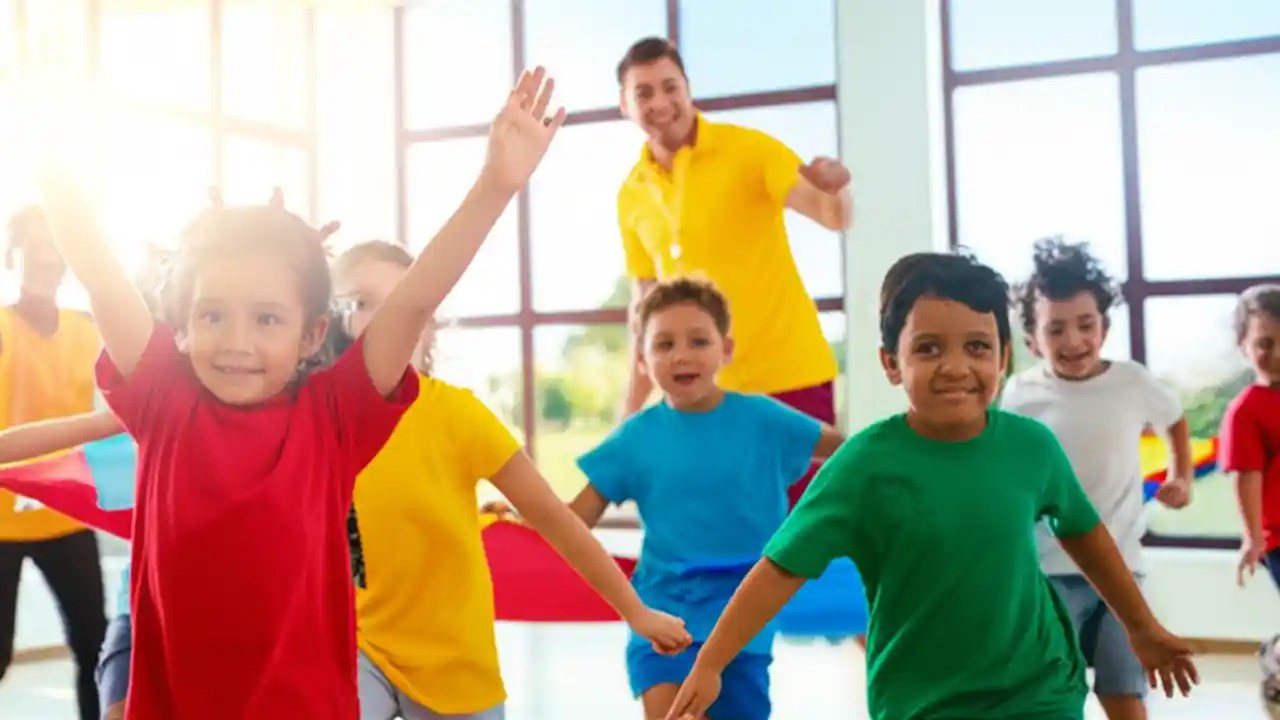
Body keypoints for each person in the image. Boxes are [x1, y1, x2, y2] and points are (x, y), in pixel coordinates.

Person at [34, 67, 566, 719]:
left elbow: (415, 297)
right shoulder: (162, 399)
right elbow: (97, 269)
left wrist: (494, 185)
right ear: (181, 324)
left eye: (266, 319)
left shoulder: (335, 417)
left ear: (313, 332)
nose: (236, 342)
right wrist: (49, 149)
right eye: (212, 316)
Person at [664, 252, 1199, 720]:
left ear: (1003, 357)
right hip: (922, 699)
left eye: (977, 346)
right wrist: (713, 661)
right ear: (891, 364)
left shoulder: (1030, 447)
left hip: (1039, 688)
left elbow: (1086, 534)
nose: (956, 367)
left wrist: (1141, 625)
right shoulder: (864, 465)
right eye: (928, 349)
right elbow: (780, 568)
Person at [332, 240, 690, 720]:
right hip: (359, 647)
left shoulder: (458, 417)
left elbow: (553, 518)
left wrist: (636, 611)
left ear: (428, 326)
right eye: (360, 303)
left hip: (454, 660)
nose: (382, 320)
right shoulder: (319, 417)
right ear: (329, 319)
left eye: (403, 303)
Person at [567, 277, 844, 720]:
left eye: (698, 341)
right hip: (663, 611)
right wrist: (516, 521)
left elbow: (848, 453)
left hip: (745, 611)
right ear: (642, 358)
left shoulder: (763, 419)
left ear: (726, 349)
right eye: (664, 343)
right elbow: (572, 520)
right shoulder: (633, 439)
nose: (681, 354)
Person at [614, 36, 852, 509]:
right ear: (625, 106)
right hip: (705, 395)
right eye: (643, 93)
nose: (659, 102)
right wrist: (630, 410)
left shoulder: (750, 151)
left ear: (688, 89)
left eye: (669, 87)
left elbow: (830, 216)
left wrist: (832, 190)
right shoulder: (631, 195)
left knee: (806, 536)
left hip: (789, 380)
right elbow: (646, 310)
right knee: (730, 538)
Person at [1001, 237, 1194, 720]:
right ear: (1032, 341)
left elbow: (1174, 419)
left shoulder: (1131, 381)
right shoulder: (1019, 394)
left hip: (1123, 568)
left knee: (1122, 691)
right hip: (1048, 571)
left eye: (1085, 325)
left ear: (1104, 327)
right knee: (1052, 689)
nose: (1072, 341)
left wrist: (1182, 476)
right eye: (1056, 329)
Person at [0, 206, 107, 720]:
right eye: (32, 247)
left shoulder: (85, 333)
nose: (45, 258)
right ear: (9, 258)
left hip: (66, 513)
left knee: (95, 644)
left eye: (54, 248)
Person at [1225, 284, 1280, 589]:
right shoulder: (1246, 410)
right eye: (1265, 343)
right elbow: (1248, 476)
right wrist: (1253, 537)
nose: (1278, 354)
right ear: (1242, 344)